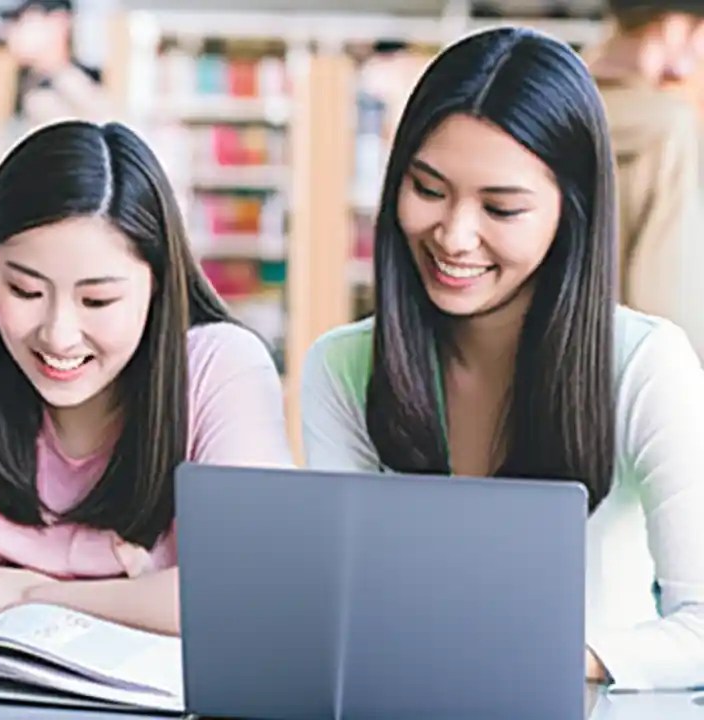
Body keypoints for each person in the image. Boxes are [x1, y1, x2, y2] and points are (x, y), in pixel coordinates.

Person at [301, 26, 704, 690]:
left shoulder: (646, 366)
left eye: (502, 207)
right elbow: (342, 610)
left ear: (569, 215)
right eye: (428, 190)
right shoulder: (342, 366)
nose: (455, 236)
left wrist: (544, 658)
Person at [0, 120, 292, 636]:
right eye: (25, 291)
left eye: (97, 301)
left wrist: (21, 592)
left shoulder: (220, 367)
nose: (59, 335)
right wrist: (135, 595)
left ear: (157, 287)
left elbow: (248, 593)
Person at [587, 0, 704, 356]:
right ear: (673, 29)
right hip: (639, 376)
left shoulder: (548, 107)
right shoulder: (666, 128)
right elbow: (669, 303)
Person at [0, 0, 110, 128]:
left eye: (19, 19)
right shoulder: (31, 82)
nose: (8, 31)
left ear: (58, 21)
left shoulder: (69, 88)